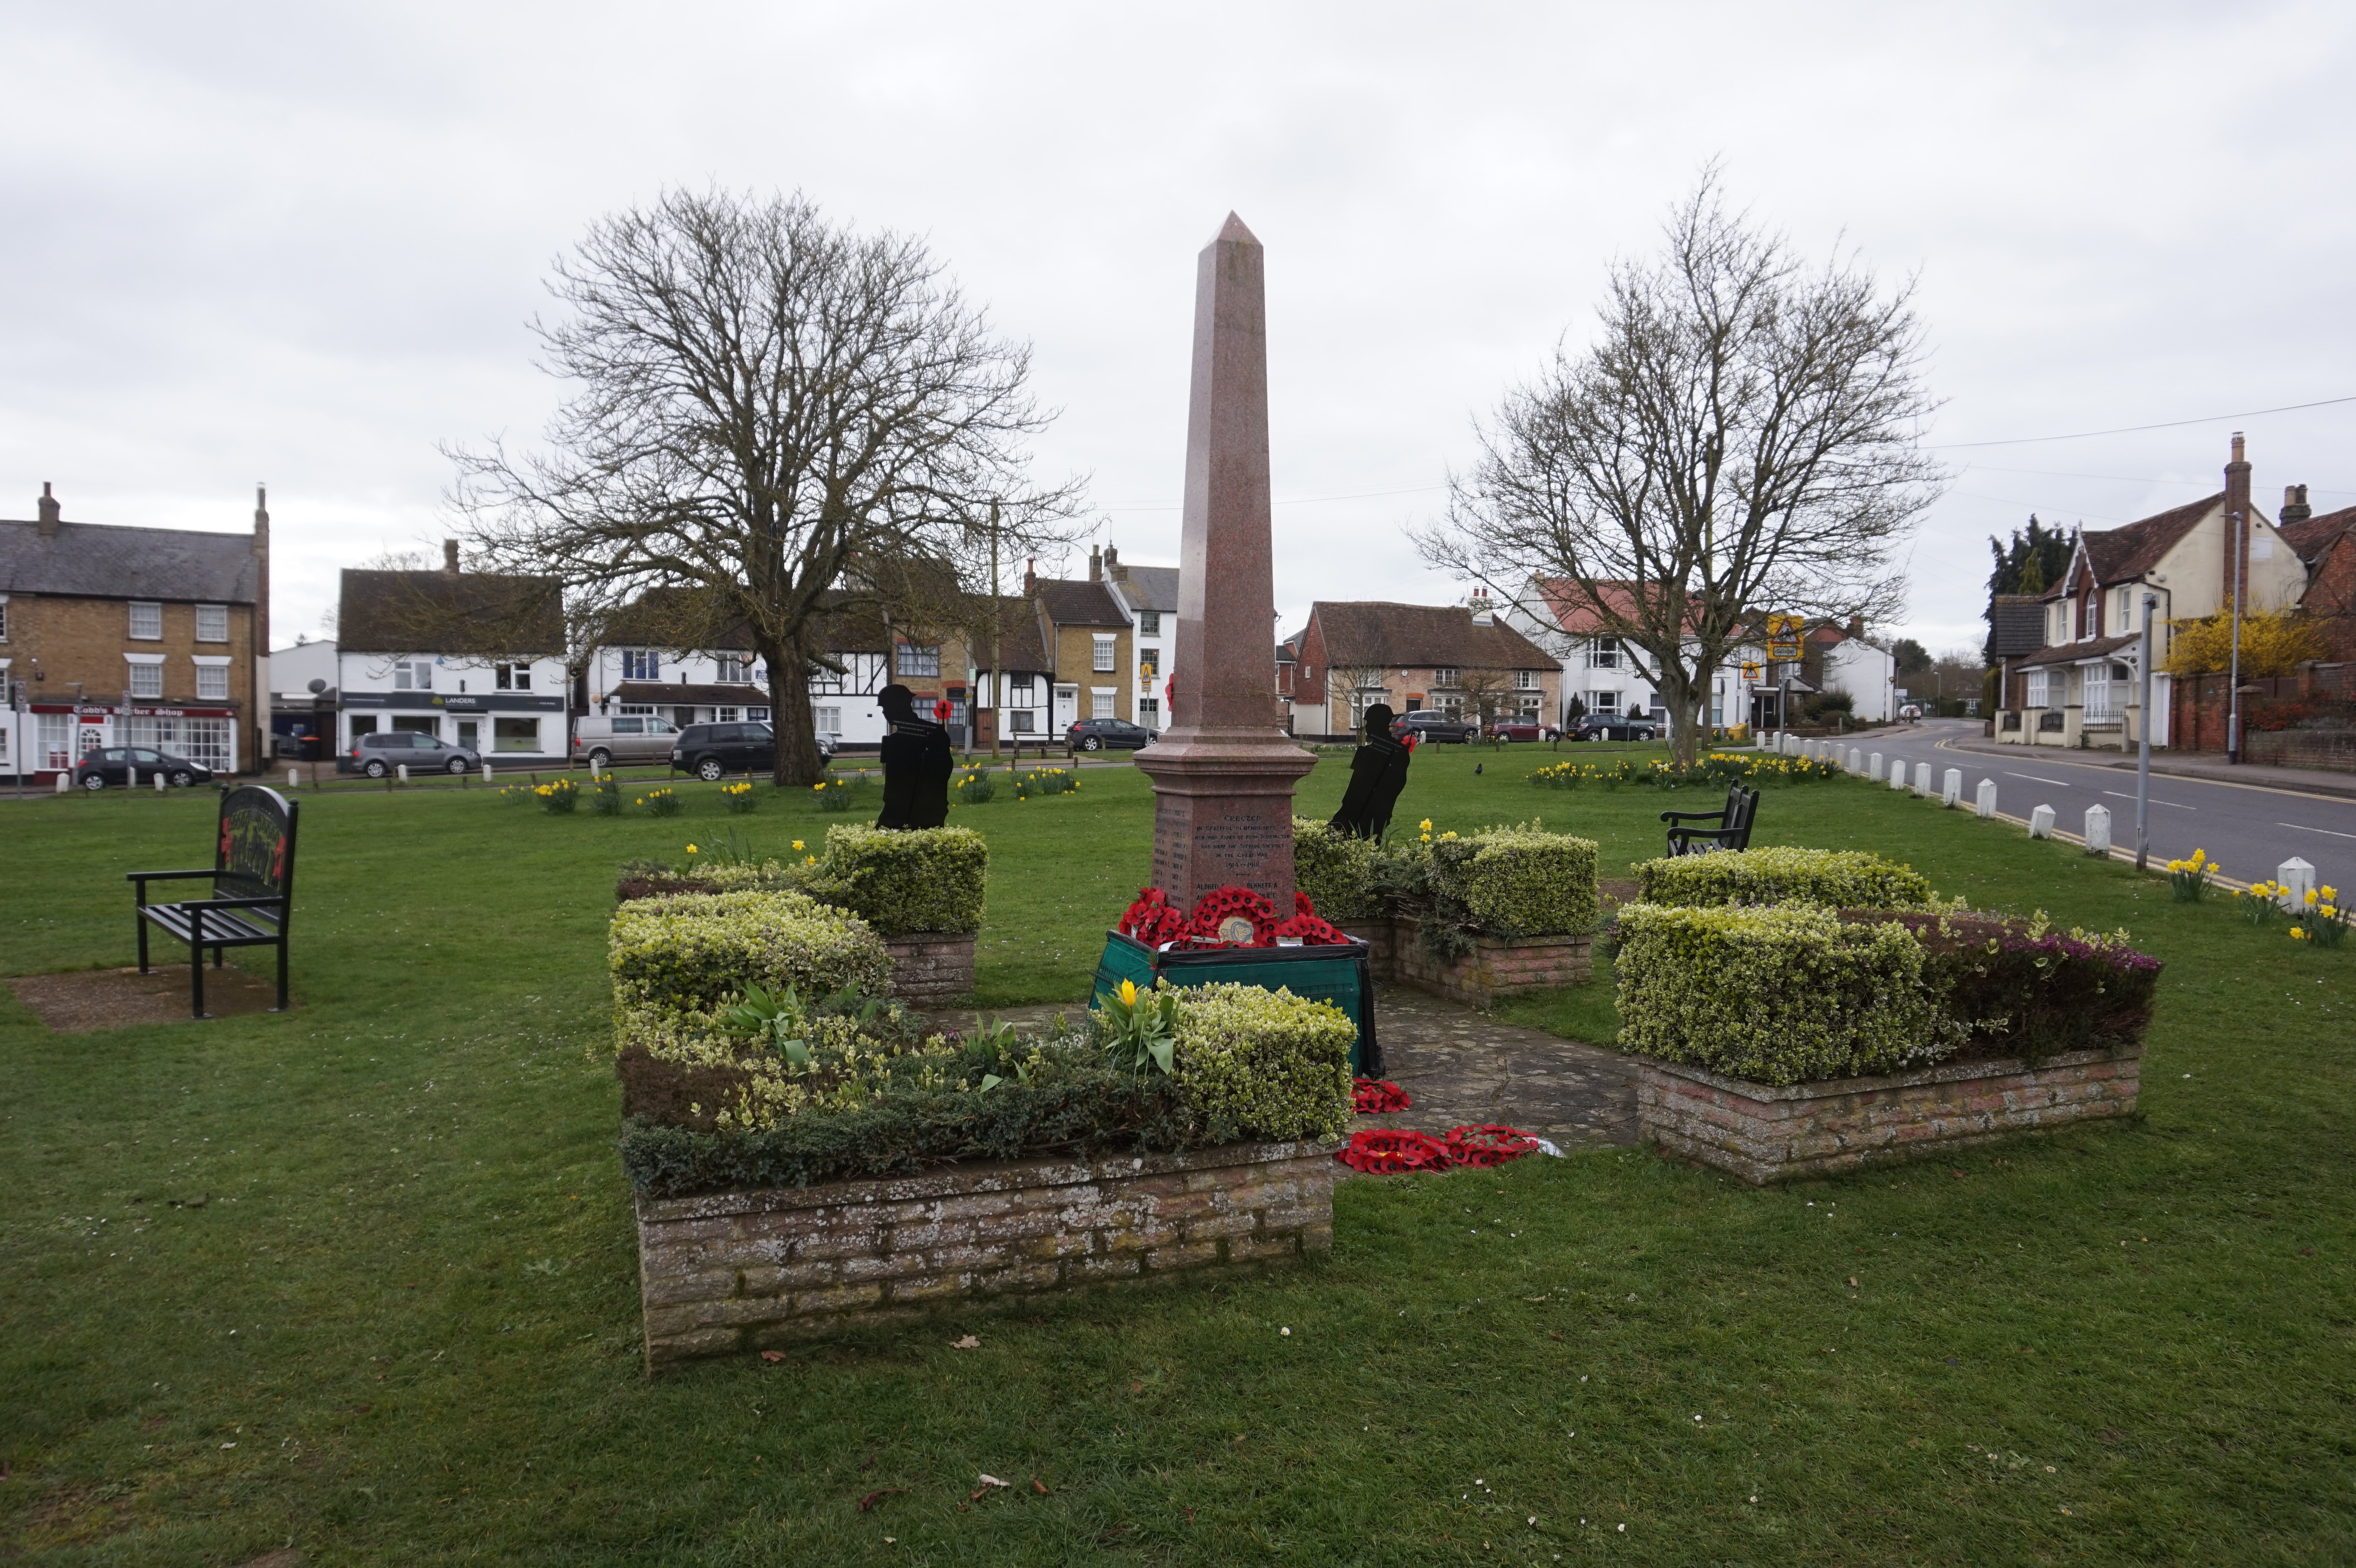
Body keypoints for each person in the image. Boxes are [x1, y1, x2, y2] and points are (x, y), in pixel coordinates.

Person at [1329, 703, 1411, 840]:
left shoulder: (1366, 753)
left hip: (1361, 813)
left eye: (1369, 723)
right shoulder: (1401, 752)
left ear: (1378, 724)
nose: (1366, 727)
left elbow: (1353, 792)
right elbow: (1399, 784)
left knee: (1334, 833)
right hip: (1380, 812)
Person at [876, 684, 953, 829]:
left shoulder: (933, 734)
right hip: (904, 815)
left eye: (886, 707)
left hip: (921, 815)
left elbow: (941, 774)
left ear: (898, 706)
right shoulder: (894, 741)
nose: (884, 712)